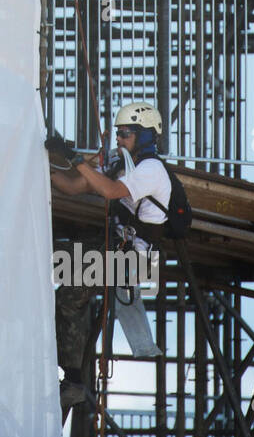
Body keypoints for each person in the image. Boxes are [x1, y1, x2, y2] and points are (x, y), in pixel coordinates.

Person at [48, 101, 170, 416]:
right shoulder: (121, 163)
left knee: (68, 295)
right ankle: (71, 378)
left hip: (134, 258)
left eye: (125, 133)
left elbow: (111, 191)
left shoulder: (150, 169)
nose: (119, 139)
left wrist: (77, 159)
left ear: (144, 136)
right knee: (57, 257)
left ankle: (72, 379)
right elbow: (72, 187)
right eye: (118, 133)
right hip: (116, 248)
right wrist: (46, 164)